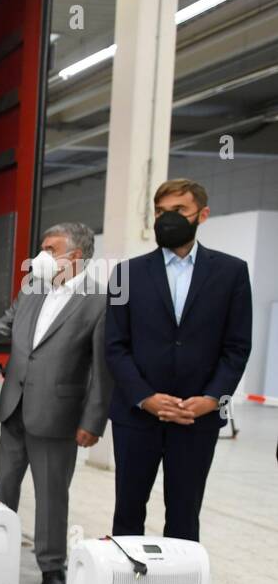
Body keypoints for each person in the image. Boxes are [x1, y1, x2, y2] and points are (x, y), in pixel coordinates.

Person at [0, 222, 112, 584]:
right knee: (4, 485)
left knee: (51, 494)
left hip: (57, 414)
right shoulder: (33, 288)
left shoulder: (99, 301)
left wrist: (93, 421)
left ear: (76, 256)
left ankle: (52, 566)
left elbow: (103, 367)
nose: (41, 255)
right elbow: (5, 327)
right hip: (15, 405)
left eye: (50, 249)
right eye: (42, 248)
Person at [106, 178, 251, 544]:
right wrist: (145, 397)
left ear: (202, 214)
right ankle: (126, 578)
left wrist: (212, 399)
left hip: (195, 417)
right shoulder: (125, 274)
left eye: (178, 210)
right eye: (160, 211)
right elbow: (115, 346)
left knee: (185, 516)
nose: (166, 219)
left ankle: (181, 580)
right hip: (137, 416)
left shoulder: (231, 272)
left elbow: (237, 347)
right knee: (128, 512)